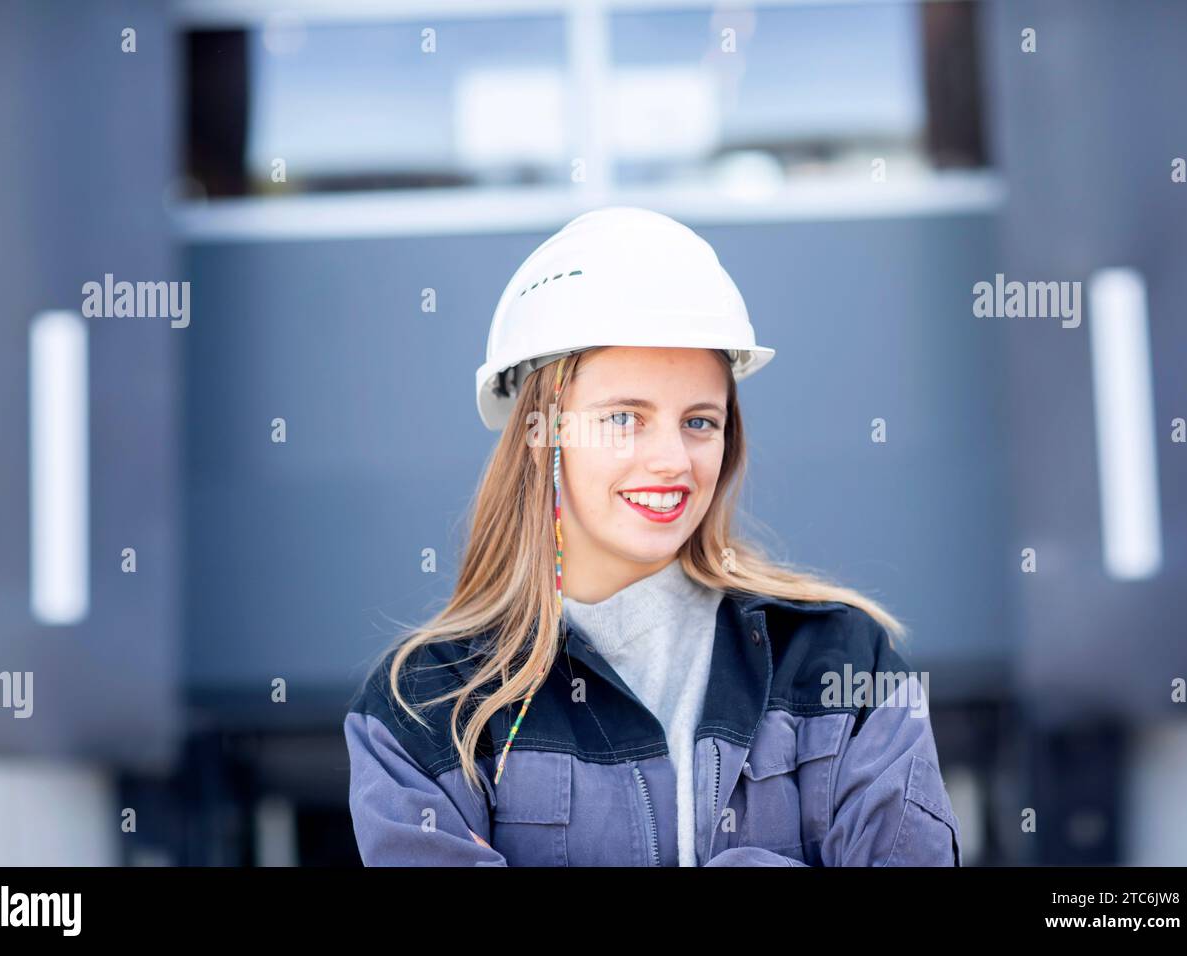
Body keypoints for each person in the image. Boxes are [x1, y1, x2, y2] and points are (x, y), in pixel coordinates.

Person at [344, 206, 962, 866]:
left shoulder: (843, 662)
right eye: (624, 419)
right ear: (539, 432)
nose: (672, 460)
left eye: (699, 422)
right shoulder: (426, 703)